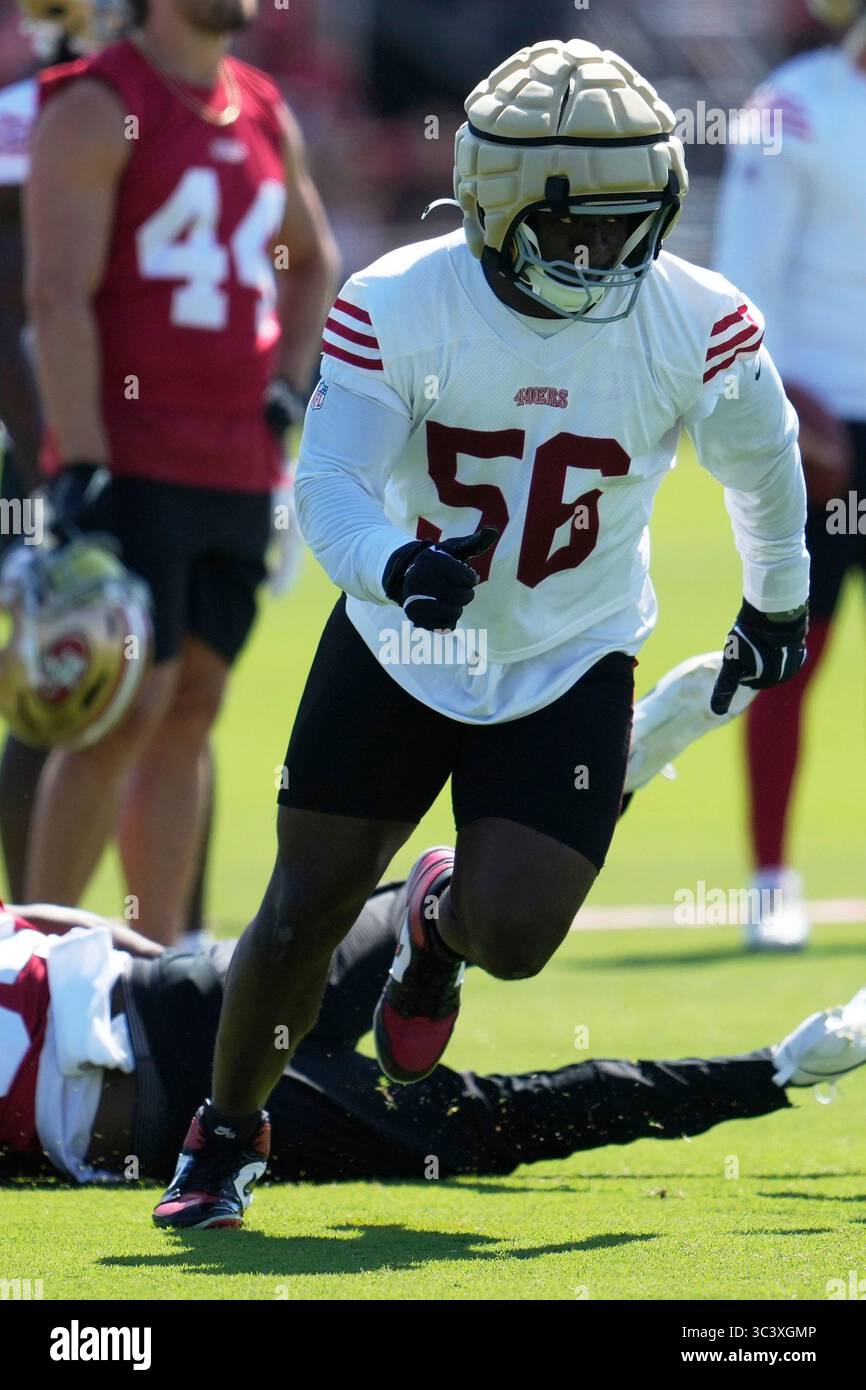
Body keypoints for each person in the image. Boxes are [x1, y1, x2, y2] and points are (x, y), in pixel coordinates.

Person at [154, 37, 810, 1229]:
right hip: (404, 643)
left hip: (570, 650)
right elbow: (332, 483)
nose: (604, 255)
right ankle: (226, 1129)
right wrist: (394, 563)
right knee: (303, 905)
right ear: (502, 209)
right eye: (577, 229)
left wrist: (777, 596)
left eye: (628, 222)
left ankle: (433, 926)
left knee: (513, 935)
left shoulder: (695, 320)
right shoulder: (396, 302)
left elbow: (761, 469)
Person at [21, 0, 338, 946]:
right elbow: (57, 291)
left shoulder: (261, 107)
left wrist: (288, 388)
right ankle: (32, 967)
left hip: (237, 465)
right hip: (131, 460)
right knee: (119, 710)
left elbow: (311, 260)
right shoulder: (97, 103)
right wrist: (80, 460)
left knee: (192, 708)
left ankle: (155, 966)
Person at [3, 874, 863, 1197]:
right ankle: (614, 763)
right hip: (180, 995)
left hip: (169, 1107)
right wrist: (174, 966)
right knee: (454, 910)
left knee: (490, 1124)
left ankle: (781, 1069)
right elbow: (42, 917)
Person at [714, 0, 866, 950]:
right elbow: (741, 282)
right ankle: (769, 879)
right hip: (826, 417)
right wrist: (789, 410)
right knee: (791, 650)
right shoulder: (792, 110)